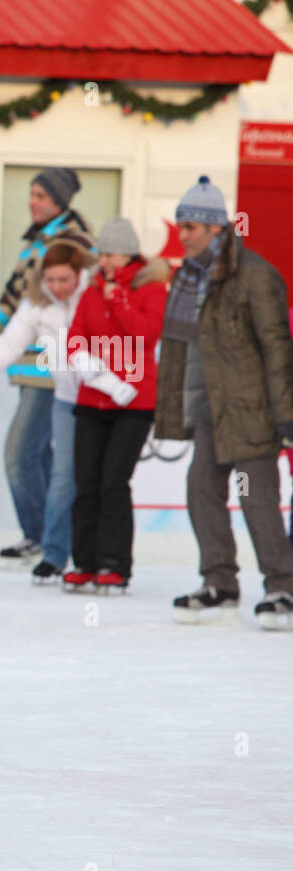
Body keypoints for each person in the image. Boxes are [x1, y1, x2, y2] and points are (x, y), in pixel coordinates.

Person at [154, 177, 293, 629]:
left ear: (216, 228)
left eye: (191, 225)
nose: (184, 234)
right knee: (201, 492)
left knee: (256, 500)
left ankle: (282, 586)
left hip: (251, 410)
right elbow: (183, 353)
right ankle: (219, 583)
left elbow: (277, 349)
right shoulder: (188, 277)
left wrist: (286, 414)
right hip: (210, 410)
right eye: (181, 226)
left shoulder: (255, 275)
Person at [0, 167, 94, 565]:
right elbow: (12, 306)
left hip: (55, 369)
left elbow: (82, 304)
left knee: (20, 454)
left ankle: (46, 539)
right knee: (37, 457)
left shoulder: (71, 243)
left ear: (59, 201)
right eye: (32, 193)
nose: (32, 201)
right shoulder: (35, 245)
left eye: (41, 195)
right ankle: (45, 538)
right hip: (31, 368)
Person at [0, 239, 96, 583]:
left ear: (79, 275)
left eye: (63, 280)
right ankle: (53, 553)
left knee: (100, 478)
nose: (56, 288)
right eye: (50, 280)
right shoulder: (37, 302)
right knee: (62, 475)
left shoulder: (94, 295)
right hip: (66, 395)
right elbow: (13, 338)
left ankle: (99, 556)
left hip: (102, 394)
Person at [60, 218, 167, 593]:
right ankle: (84, 562)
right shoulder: (91, 291)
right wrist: (93, 371)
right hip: (93, 401)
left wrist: (117, 300)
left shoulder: (151, 289)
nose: (105, 262)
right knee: (86, 482)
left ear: (129, 255)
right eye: (102, 254)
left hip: (134, 404)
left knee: (113, 482)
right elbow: (75, 339)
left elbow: (145, 334)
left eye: (112, 255)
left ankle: (114, 564)